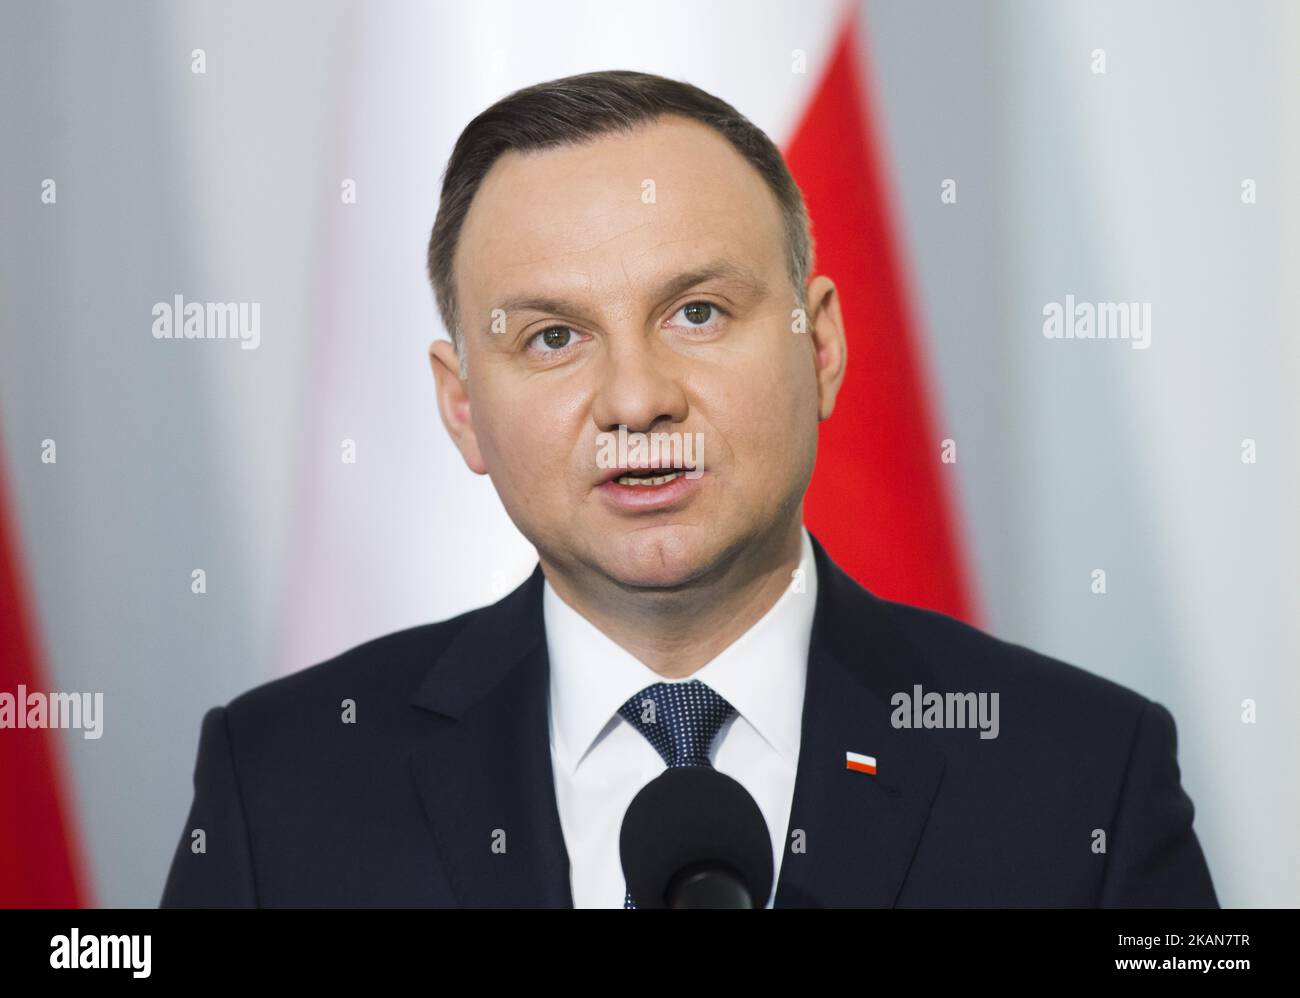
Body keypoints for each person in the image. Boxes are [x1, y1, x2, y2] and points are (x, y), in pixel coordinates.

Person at [160, 70, 1217, 908]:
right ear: (463, 408)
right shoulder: (283, 782)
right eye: (554, 337)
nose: (635, 399)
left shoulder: (1080, 775)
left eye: (698, 313)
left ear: (824, 348)